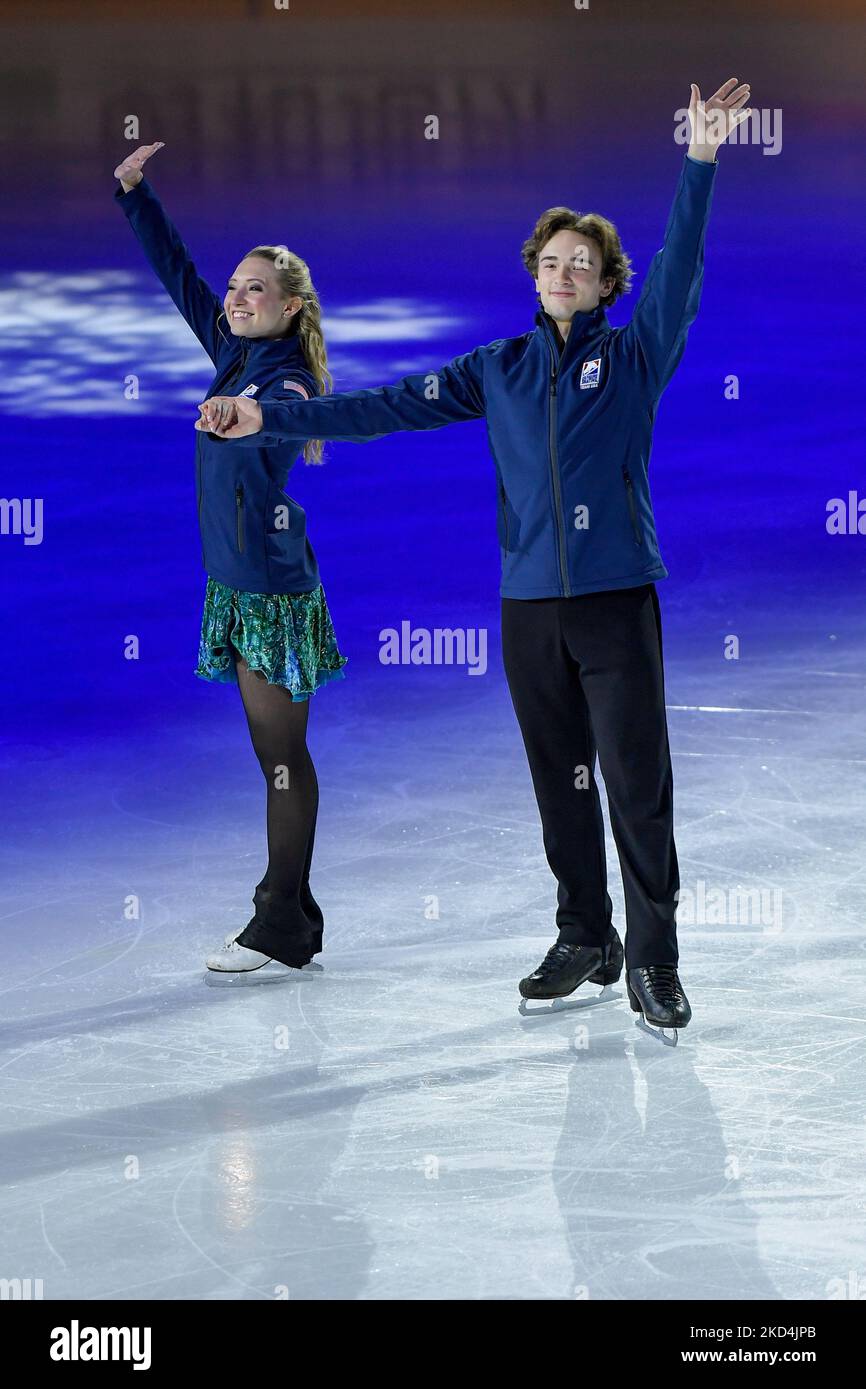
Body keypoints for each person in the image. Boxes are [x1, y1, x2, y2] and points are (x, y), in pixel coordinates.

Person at [197, 79, 751, 1040]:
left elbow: (682, 275)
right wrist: (265, 414)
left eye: (583, 263)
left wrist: (699, 160)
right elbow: (378, 408)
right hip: (529, 606)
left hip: (617, 601)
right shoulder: (496, 368)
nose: (563, 271)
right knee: (558, 781)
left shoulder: (632, 358)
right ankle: (585, 934)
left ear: (607, 283)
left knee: (633, 780)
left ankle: (654, 961)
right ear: (533, 274)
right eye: (550, 260)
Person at [114, 141, 347, 975]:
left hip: (273, 595)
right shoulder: (237, 351)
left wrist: (236, 416)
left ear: (289, 310)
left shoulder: (279, 381)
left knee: (282, 760)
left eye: (257, 290)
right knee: (273, 758)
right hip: (237, 585)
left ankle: (282, 917)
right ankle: (294, 907)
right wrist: (135, 193)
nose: (237, 297)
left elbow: (279, 413)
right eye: (237, 286)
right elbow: (181, 276)